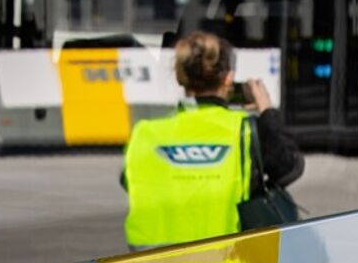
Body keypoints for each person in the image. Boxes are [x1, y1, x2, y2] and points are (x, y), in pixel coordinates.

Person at [122, 30, 304, 251]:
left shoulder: (145, 133)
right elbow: (289, 167)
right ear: (228, 78)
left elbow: (129, 181)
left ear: (181, 77)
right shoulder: (244, 129)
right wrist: (266, 110)